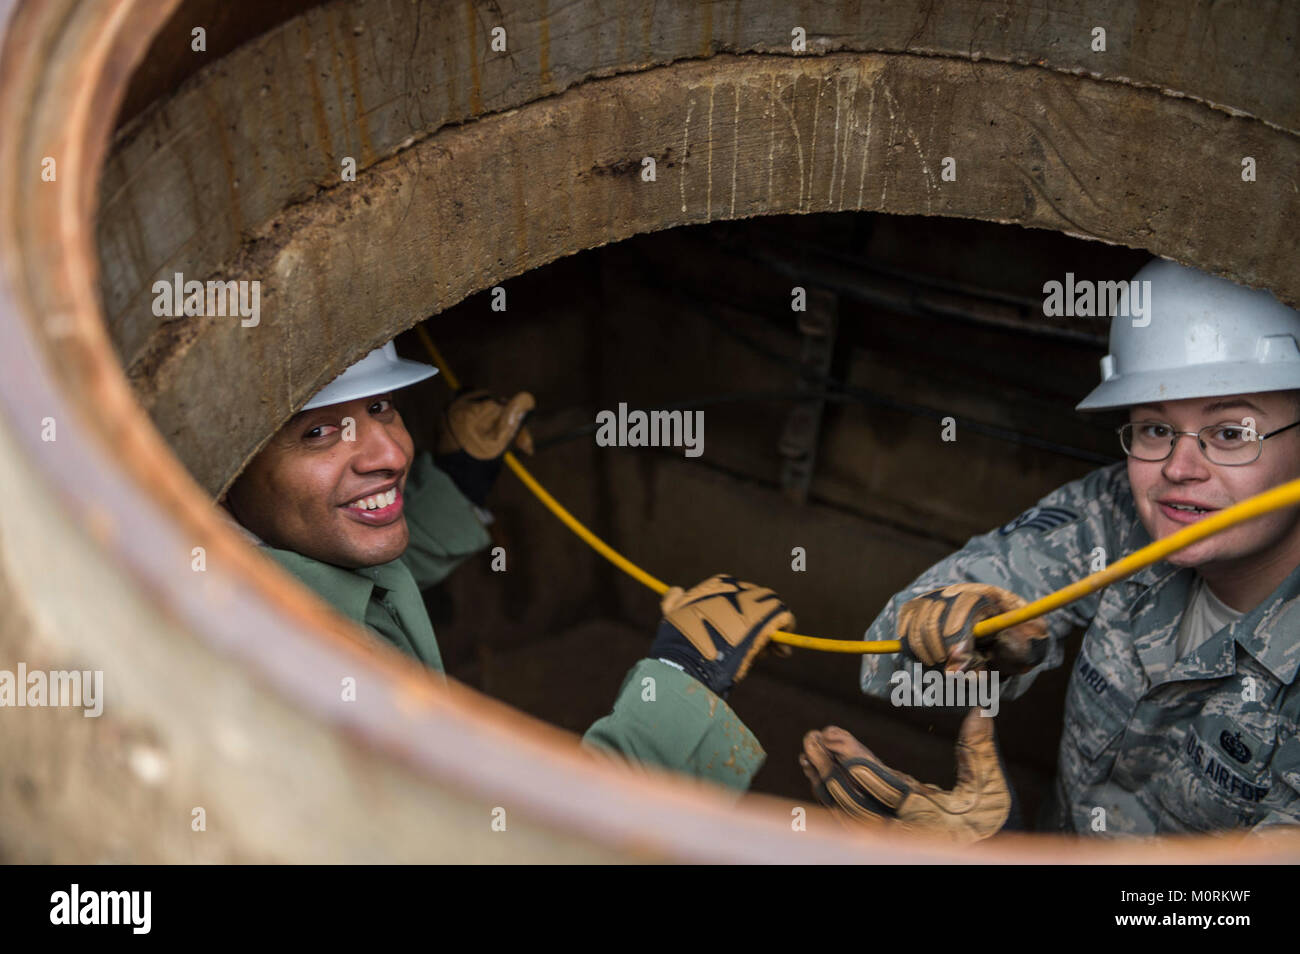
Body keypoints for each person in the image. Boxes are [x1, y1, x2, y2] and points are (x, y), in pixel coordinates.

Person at [801, 259, 1300, 837]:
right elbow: (893, 657)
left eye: (1231, 433)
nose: (1178, 468)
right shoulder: (1118, 515)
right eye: (1155, 428)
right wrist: (976, 637)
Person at [222, 340, 791, 791]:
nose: (392, 455)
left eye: (380, 408)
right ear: (228, 469)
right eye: (318, 432)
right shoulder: (311, 690)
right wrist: (682, 682)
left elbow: (356, 591)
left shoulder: (243, 555)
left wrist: (458, 483)